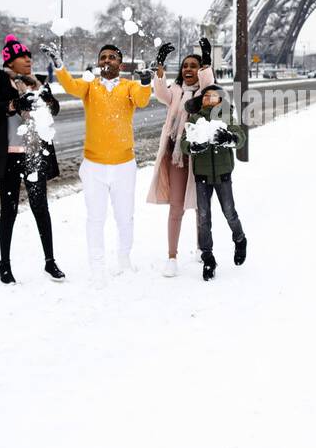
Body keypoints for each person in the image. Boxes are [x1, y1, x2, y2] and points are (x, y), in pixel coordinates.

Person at [51, 43, 154, 285]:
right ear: (99, 63)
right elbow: (69, 86)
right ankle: (96, 263)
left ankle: (124, 258)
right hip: (94, 165)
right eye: (103, 57)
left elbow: (142, 100)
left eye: (112, 57)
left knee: (125, 216)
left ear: (120, 63)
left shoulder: (129, 87)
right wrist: (59, 66)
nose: (107, 60)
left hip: (124, 165)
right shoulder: (90, 87)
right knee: (95, 218)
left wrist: (147, 82)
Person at [0, 35, 64, 285]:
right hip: (8, 157)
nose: (28, 60)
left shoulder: (37, 81)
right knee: (9, 211)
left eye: (29, 56)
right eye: (22, 56)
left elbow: (55, 110)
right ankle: (4, 265)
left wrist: (47, 97)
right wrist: (15, 103)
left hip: (34, 156)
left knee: (41, 208)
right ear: (11, 60)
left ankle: (50, 262)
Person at [147, 37, 215, 277]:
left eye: (193, 66)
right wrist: (159, 65)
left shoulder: (205, 93)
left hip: (200, 156)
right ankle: (172, 256)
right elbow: (159, 92)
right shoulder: (175, 92)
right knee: (177, 206)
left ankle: (200, 247)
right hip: (177, 156)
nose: (188, 69)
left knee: (200, 206)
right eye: (185, 65)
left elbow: (209, 84)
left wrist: (207, 62)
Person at [180, 84, 247, 280]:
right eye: (206, 96)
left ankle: (240, 239)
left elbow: (240, 138)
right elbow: (184, 142)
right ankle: (208, 257)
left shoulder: (226, 117)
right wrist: (192, 146)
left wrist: (229, 138)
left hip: (223, 174)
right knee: (203, 218)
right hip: (201, 176)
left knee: (229, 212)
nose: (209, 99)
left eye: (214, 96)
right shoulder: (195, 118)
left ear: (221, 100)